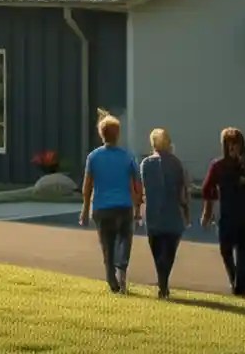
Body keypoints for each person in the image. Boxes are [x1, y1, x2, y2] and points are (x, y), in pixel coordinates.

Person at [79, 112, 143, 294]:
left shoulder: (93, 157)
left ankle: (110, 276)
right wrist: (138, 207)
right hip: (123, 206)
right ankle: (121, 268)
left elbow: (87, 186)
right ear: (118, 134)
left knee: (107, 244)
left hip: (102, 208)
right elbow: (137, 185)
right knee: (124, 240)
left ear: (101, 134)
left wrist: (85, 210)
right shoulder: (128, 156)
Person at [200, 127, 245, 297]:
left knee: (241, 252)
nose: (232, 148)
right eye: (229, 144)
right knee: (228, 250)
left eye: (235, 144)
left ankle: (240, 289)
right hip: (229, 216)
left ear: (241, 146)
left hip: (241, 217)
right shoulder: (219, 166)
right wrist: (207, 214)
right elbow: (207, 190)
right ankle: (237, 282)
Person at [139, 128, 190, 299]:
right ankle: (163, 285)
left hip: (153, 216)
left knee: (158, 254)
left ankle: (163, 285)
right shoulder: (176, 163)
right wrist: (186, 212)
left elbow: (142, 191)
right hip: (173, 215)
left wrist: (138, 211)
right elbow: (182, 192)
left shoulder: (145, 164)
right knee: (168, 254)